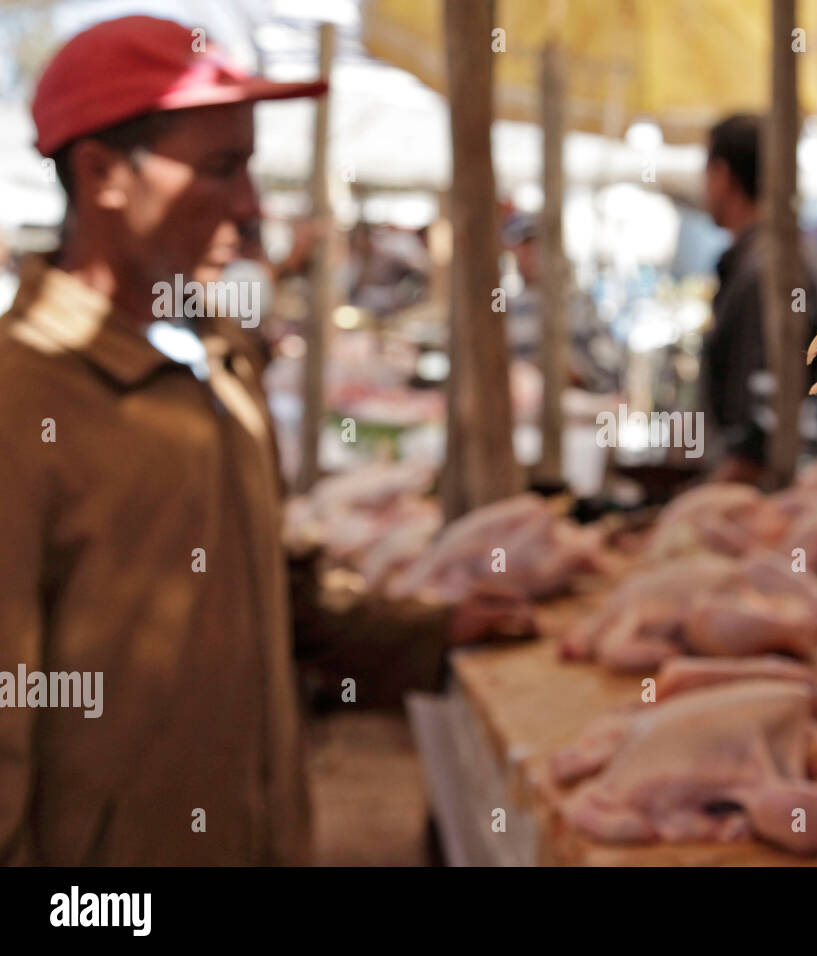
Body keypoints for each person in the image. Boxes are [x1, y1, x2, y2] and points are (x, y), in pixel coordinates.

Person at [0, 15, 525, 866]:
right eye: (220, 169)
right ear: (100, 174)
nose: (250, 208)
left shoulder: (220, 362)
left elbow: (274, 596)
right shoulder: (22, 401)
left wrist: (428, 632)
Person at [698, 114, 817, 483]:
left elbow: (759, 430)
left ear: (721, 176)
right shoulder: (814, 256)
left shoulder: (766, 274)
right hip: (815, 488)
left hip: (772, 497)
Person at [502, 211, 621, 393]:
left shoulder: (580, 306)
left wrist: (578, 372)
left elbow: (611, 371)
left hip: (577, 409)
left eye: (537, 246)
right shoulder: (507, 308)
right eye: (524, 248)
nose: (531, 256)